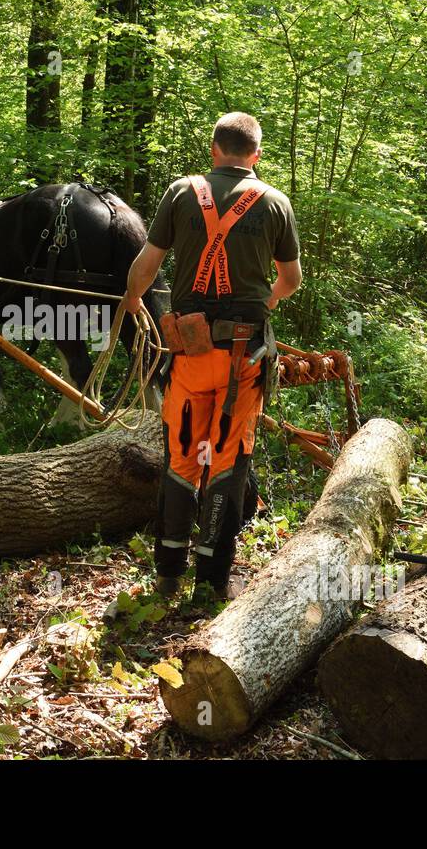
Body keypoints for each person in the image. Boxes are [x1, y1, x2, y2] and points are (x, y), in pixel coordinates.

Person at [121, 112, 301, 599]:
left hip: (189, 354)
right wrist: (264, 303)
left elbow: (147, 264)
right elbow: (291, 280)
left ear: (213, 149)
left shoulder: (181, 192)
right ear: (256, 155)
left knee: (182, 458)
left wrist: (134, 300)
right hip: (244, 358)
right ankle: (211, 585)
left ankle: (166, 577)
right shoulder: (276, 202)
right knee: (227, 461)